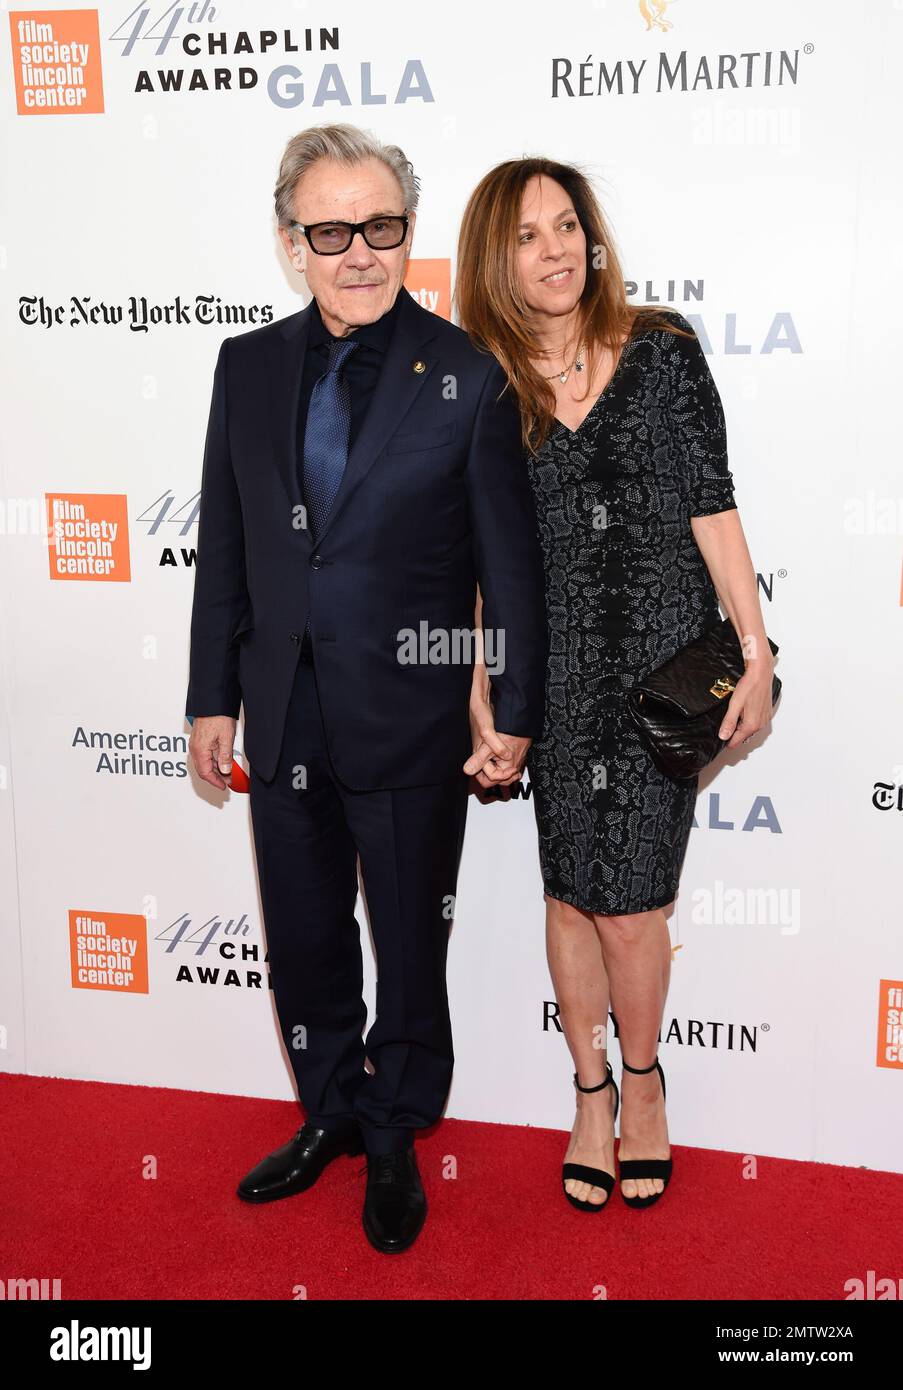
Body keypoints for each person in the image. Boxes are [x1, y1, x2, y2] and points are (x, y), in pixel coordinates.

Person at [185, 124, 547, 1253]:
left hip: (410, 716)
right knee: (302, 941)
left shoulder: (468, 376)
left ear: (407, 230)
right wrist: (211, 697)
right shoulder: (244, 367)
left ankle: (395, 1133)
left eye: (380, 226)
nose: (359, 252)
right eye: (330, 230)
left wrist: (517, 707)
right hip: (283, 711)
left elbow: (509, 564)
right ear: (292, 242)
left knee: (407, 938)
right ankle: (330, 1112)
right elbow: (230, 547)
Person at [457, 158, 775, 1212]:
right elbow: (481, 557)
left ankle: (643, 1086)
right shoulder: (484, 384)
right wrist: (484, 691)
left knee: (632, 908)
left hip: (660, 676)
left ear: (592, 239)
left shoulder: (663, 350)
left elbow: (712, 505)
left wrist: (758, 648)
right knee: (566, 896)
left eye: (567, 226)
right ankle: (587, 1089)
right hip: (556, 673)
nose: (554, 249)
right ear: (495, 260)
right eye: (527, 235)